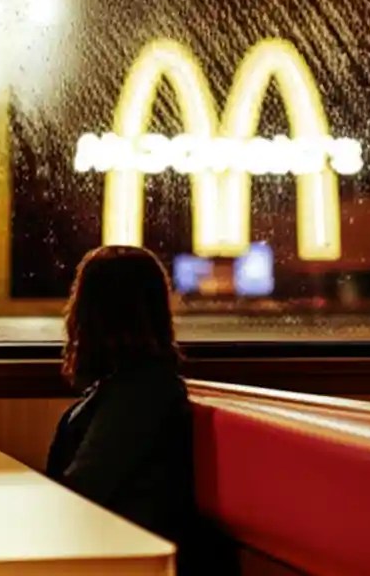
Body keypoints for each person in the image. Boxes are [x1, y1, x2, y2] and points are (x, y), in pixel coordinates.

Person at [47, 245, 225, 572]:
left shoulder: (141, 392)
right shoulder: (130, 385)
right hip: (112, 546)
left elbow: (82, 490)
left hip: (124, 557)